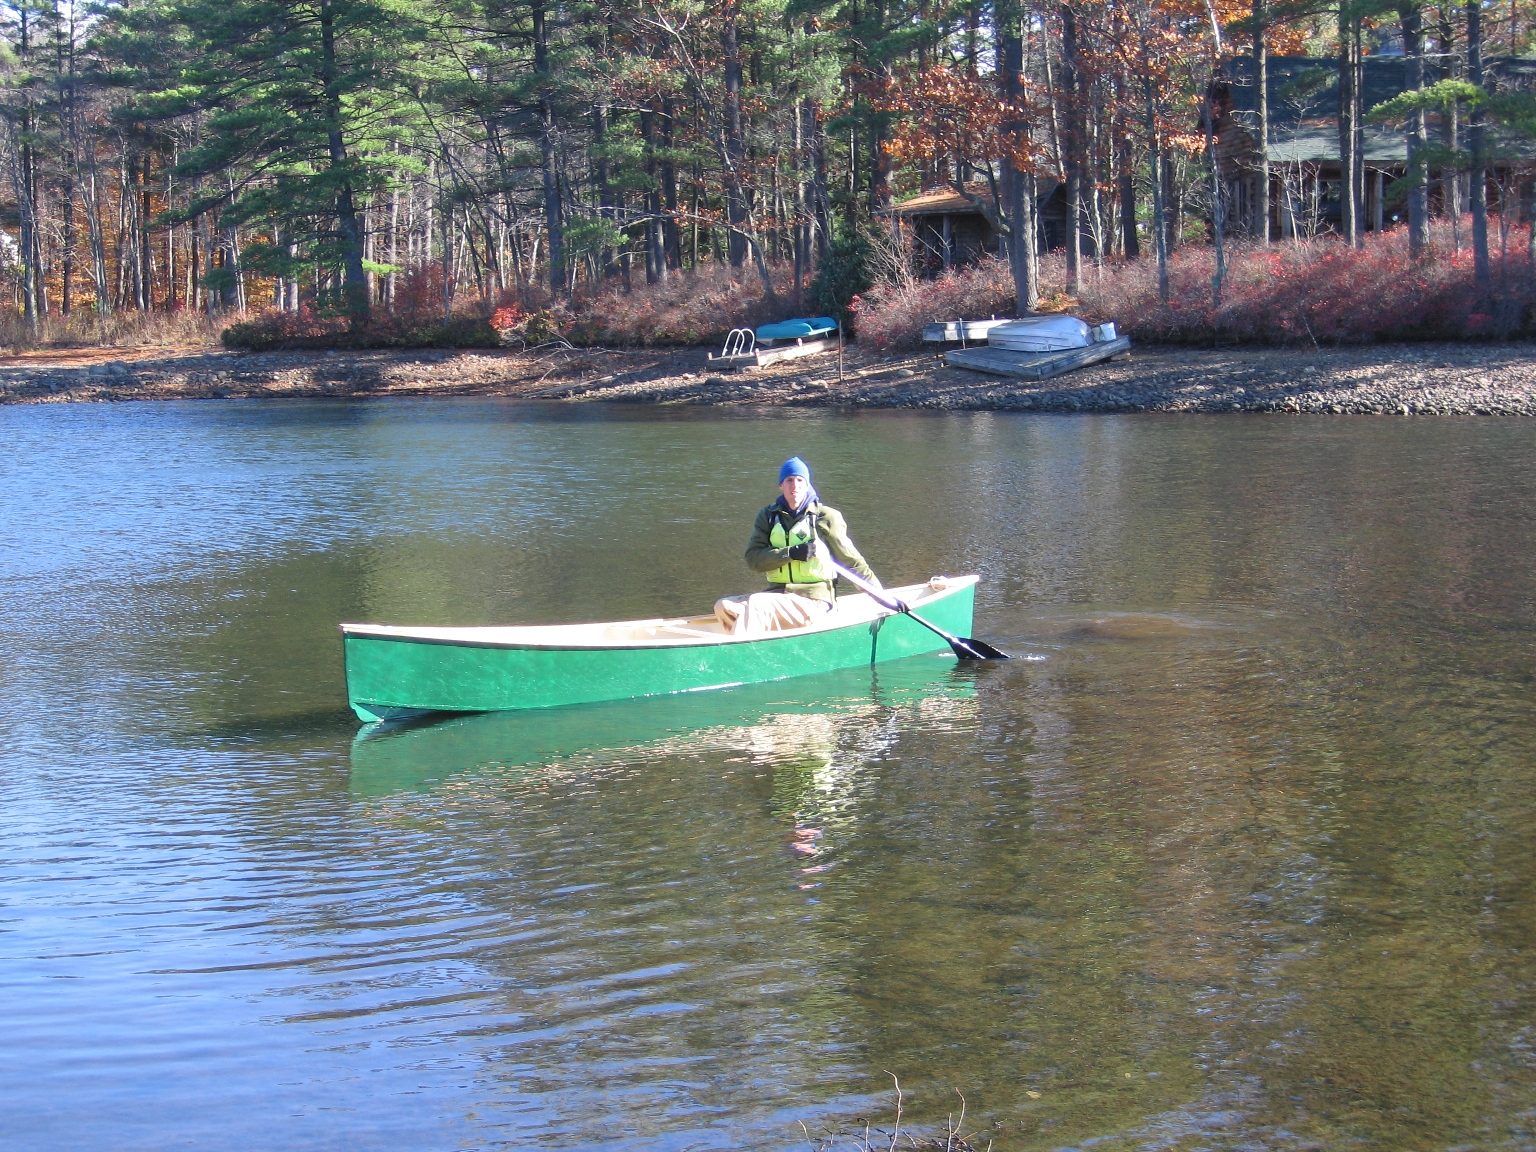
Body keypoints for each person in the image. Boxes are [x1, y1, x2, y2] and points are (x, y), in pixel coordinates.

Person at [714, 457, 881, 635]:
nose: (795, 485)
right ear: (781, 485)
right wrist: (790, 553)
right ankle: (760, 643)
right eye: (789, 480)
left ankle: (741, 653)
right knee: (723, 606)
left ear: (807, 485)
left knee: (758, 604)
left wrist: (880, 596)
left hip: (815, 600)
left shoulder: (826, 517)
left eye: (800, 480)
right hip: (778, 594)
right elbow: (754, 560)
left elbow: (853, 562)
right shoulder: (768, 517)